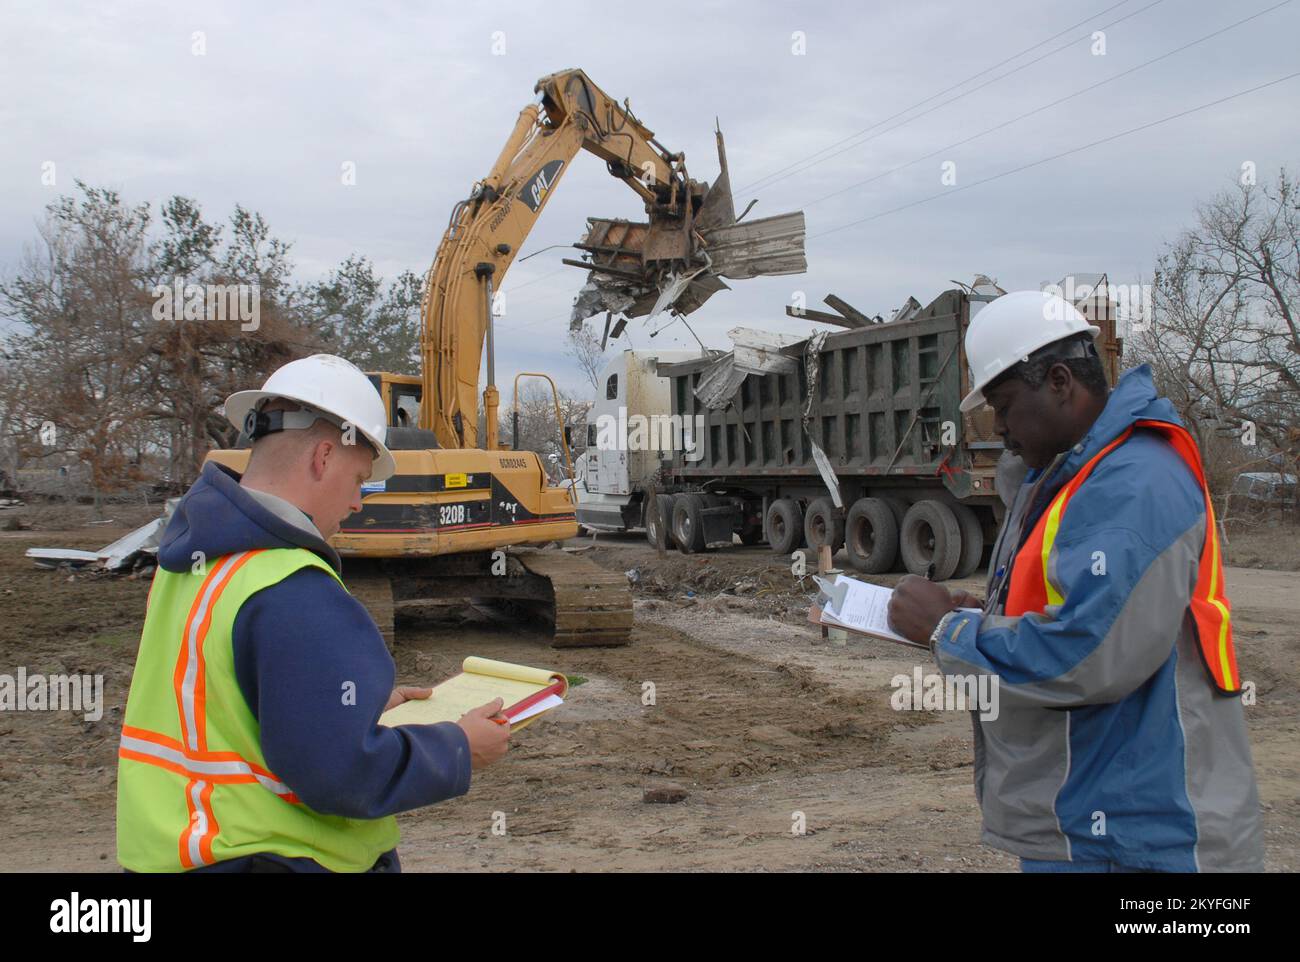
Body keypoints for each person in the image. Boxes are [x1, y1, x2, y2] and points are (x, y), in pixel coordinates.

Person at [888, 290, 1264, 872]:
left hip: (1146, 839)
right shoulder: (1071, 477)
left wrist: (950, 631)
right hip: (1091, 818)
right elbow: (1072, 608)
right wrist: (979, 611)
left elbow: (1090, 654)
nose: (1002, 430)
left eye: (1005, 406)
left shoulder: (1131, 483)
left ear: (1060, 381)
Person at [116, 354, 510, 873]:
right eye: (360, 479)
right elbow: (340, 773)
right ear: (324, 457)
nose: (356, 503)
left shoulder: (193, 564)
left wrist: (341, 706)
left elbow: (221, 702)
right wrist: (458, 747)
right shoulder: (293, 586)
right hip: (273, 857)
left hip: (176, 849)